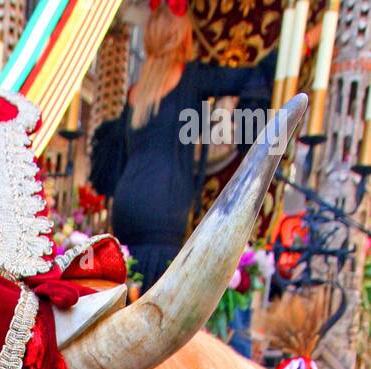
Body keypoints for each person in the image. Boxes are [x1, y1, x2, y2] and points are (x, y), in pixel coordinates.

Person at [110, 0, 278, 293]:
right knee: (158, 302)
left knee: (127, 292)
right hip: (163, 208)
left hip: (126, 205)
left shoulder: (136, 91)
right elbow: (251, 75)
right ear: (182, 34)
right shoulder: (190, 76)